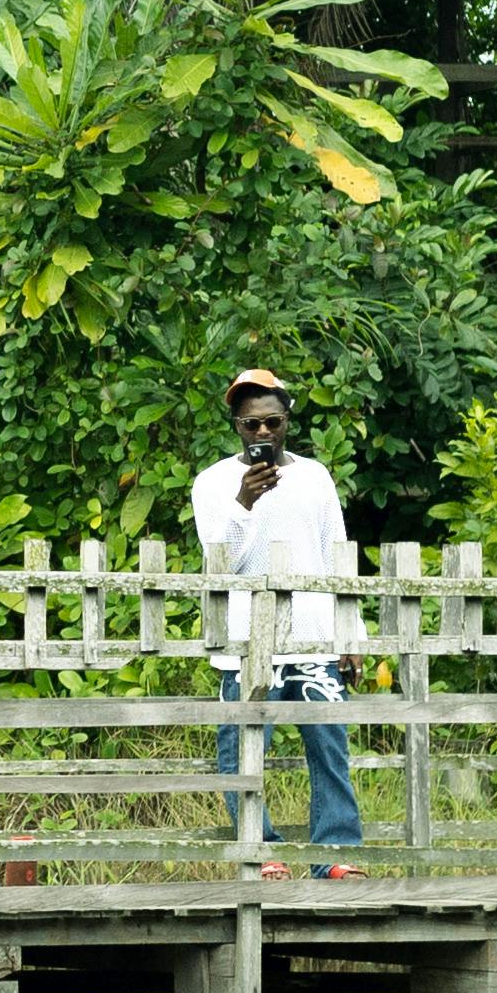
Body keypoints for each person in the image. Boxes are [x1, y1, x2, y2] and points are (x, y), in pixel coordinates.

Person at [189, 368, 361, 873]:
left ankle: (334, 855)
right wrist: (244, 502)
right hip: (245, 644)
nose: (262, 433)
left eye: (271, 422)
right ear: (236, 426)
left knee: (330, 750)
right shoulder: (213, 483)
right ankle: (259, 852)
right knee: (241, 756)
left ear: (287, 419)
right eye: (250, 425)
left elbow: (336, 555)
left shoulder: (315, 476)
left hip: (313, 639)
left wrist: (351, 634)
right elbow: (222, 563)